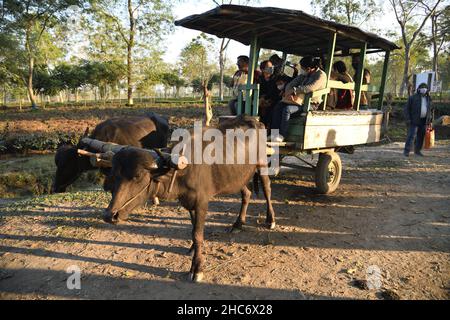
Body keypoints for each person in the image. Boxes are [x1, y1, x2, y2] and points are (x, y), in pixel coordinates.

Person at [270, 56, 327, 142]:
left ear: (309, 68)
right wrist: (289, 91)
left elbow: (310, 88)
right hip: (297, 101)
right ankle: (274, 134)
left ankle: (282, 135)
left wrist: (295, 90)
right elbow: (291, 84)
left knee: (287, 109)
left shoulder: (321, 75)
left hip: (310, 104)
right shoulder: (304, 74)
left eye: (303, 68)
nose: (301, 70)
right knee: (278, 106)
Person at [403, 83, 433, 157]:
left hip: (424, 120)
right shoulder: (412, 98)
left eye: (425, 88)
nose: (423, 89)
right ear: (418, 89)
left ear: (427, 90)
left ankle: (417, 151)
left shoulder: (428, 99)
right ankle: (406, 151)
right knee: (411, 136)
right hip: (413, 120)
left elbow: (431, 110)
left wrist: (430, 121)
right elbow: (406, 109)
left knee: (421, 136)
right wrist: (408, 119)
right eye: (422, 88)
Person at [257, 60, 282, 126]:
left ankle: (274, 134)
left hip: (274, 101)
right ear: (262, 69)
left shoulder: (276, 78)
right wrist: (262, 98)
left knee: (273, 114)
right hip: (262, 101)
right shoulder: (259, 79)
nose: (271, 68)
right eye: (269, 67)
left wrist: (267, 99)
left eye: (272, 66)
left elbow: (275, 92)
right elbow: (258, 91)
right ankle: (261, 132)